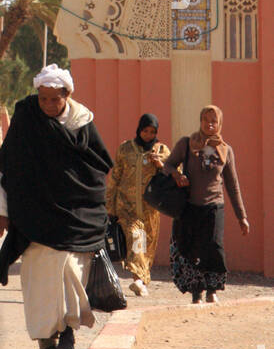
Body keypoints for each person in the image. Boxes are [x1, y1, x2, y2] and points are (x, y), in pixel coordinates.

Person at [0, 64, 112, 349]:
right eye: (43, 98)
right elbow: (8, 164)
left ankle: (68, 332)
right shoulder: (27, 117)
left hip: (75, 218)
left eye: (54, 99)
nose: (47, 105)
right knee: (39, 281)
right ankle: (46, 340)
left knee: (70, 271)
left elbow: (97, 167)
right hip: (34, 217)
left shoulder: (82, 122)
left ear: (66, 95)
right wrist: (1, 210)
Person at [162, 104, 250, 305]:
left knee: (214, 248)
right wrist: (177, 175)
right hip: (190, 207)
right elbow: (168, 165)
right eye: (206, 120)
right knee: (192, 249)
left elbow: (232, 185)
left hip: (214, 207)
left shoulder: (225, 150)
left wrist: (241, 216)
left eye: (214, 121)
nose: (210, 124)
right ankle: (197, 291)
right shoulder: (187, 144)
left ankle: (212, 290)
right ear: (200, 121)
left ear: (220, 124)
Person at [106, 113, 170, 296]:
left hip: (150, 209)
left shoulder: (162, 150)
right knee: (136, 238)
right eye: (145, 131)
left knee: (147, 247)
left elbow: (174, 173)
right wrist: (110, 206)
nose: (148, 135)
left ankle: (142, 280)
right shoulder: (126, 149)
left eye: (152, 132)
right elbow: (115, 177)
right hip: (126, 207)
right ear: (139, 130)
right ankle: (138, 281)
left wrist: (159, 164)